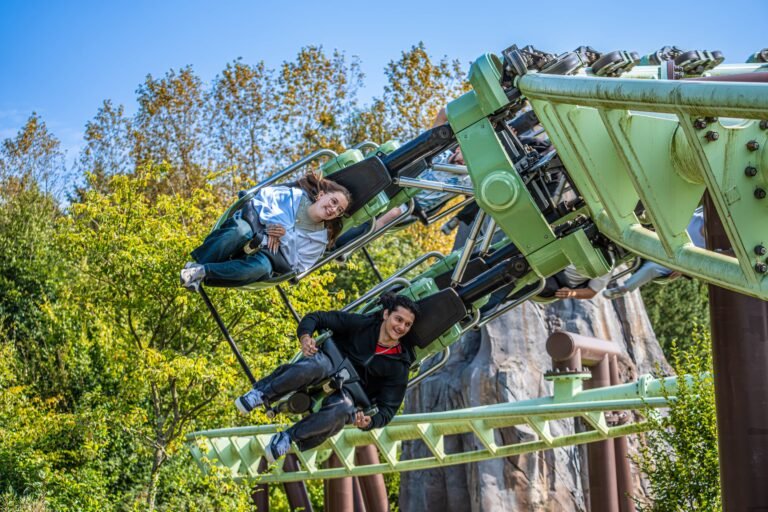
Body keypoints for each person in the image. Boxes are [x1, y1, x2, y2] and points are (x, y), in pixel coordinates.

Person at [235, 293, 420, 463]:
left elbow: (388, 410)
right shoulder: (362, 325)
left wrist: (370, 422)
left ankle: (288, 438)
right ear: (386, 314)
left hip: (351, 392)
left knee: (344, 410)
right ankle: (260, 394)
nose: (401, 327)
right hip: (331, 363)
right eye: (398, 319)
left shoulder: (399, 365)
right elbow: (317, 317)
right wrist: (306, 338)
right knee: (316, 365)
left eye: (407, 324)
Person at [180, 172, 351, 290]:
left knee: (259, 268)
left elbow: (299, 265)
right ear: (321, 195)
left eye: (339, 210)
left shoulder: (318, 240)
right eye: (333, 202)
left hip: (272, 254)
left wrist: (284, 237)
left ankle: (201, 271)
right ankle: (197, 267)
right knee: (238, 232)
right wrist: (272, 226)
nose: (333, 209)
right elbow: (262, 197)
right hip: (256, 226)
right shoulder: (294, 196)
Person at [603, 206, 705, 299]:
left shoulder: (708, 246)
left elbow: (700, 262)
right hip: (664, 233)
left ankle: (623, 289)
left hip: (675, 255)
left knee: (653, 267)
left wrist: (683, 270)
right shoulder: (698, 215)